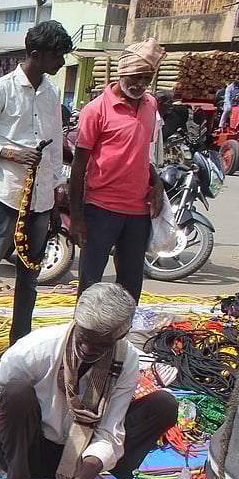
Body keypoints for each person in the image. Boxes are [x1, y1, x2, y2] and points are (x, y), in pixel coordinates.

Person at [0, 283, 178, 479]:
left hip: (80, 454)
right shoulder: (39, 347)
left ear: (121, 336)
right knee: (17, 390)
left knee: (163, 405)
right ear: (76, 321)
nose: (88, 349)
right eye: (84, 337)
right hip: (26, 448)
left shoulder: (125, 360)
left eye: (100, 344)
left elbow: (110, 432)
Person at [0, 21, 73, 374]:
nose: (62, 62)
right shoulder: (1, 89)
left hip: (41, 201)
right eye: (57, 55)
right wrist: (8, 153)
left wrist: (54, 195)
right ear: (36, 55)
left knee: (30, 278)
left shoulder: (51, 94)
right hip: (7, 195)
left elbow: (53, 149)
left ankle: (19, 347)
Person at [71, 38, 165, 303]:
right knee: (90, 283)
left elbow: (141, 154)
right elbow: (79, 167)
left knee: (131, 284)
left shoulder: (150, 105)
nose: (140, 85)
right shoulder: (95, 110)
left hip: (137, 212)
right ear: (122, 72)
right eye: (136, 77)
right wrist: (76, 218)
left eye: (147, 79)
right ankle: (84, 338)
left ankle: (120, 339)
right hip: (101, 209)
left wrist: (155, 182)